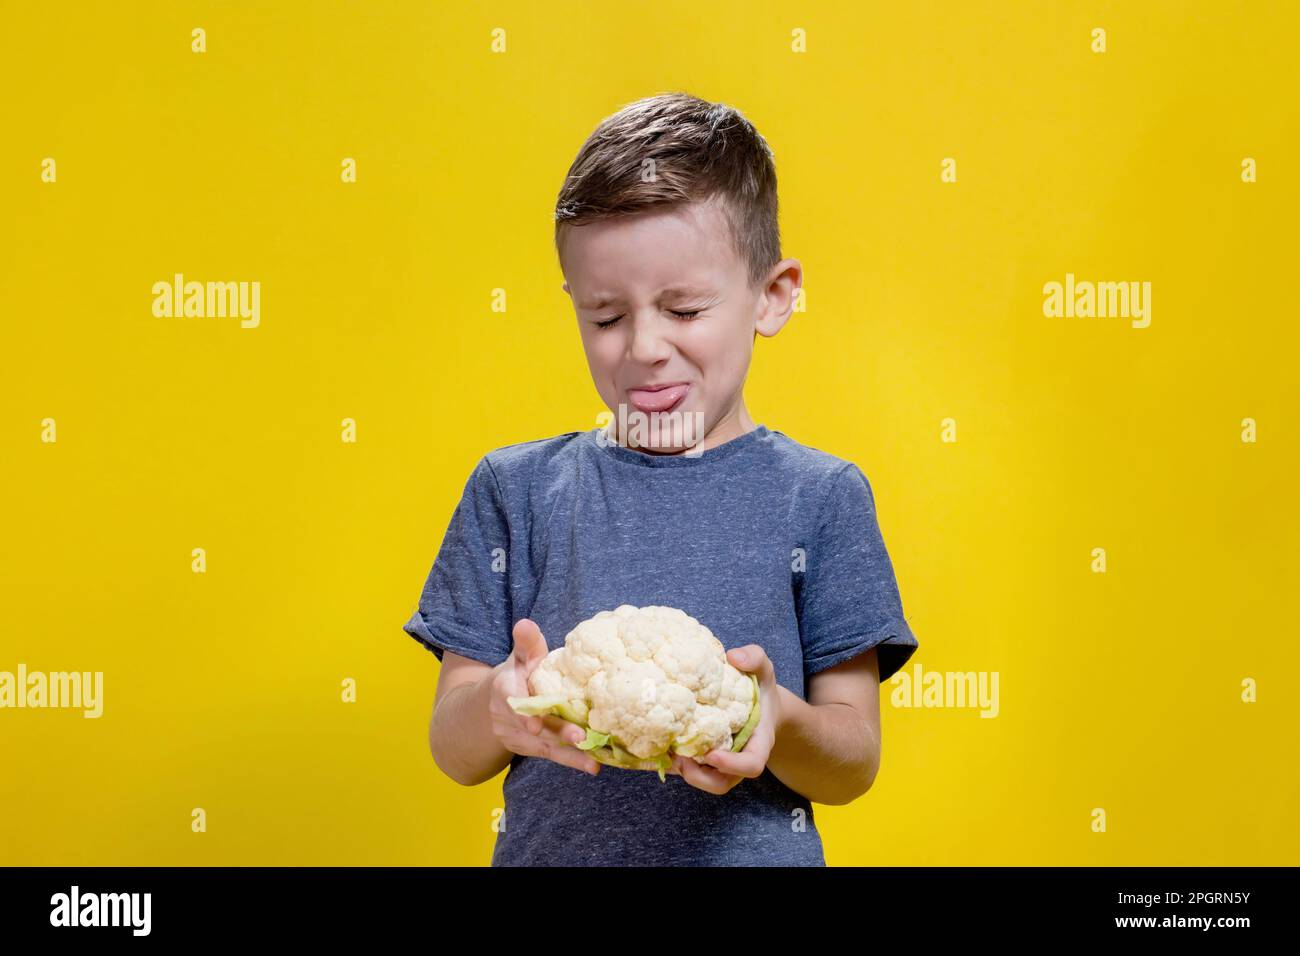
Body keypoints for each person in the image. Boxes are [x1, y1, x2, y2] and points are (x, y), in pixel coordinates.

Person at [402, 91, 919, 866]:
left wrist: (772, 717)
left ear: (773, 297)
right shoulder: (514, 492)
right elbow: (454, 745)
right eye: (606, 317)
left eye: (683, 310)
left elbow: (853, 760)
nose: (644, 346)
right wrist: (498, 709)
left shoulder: (821, 498)